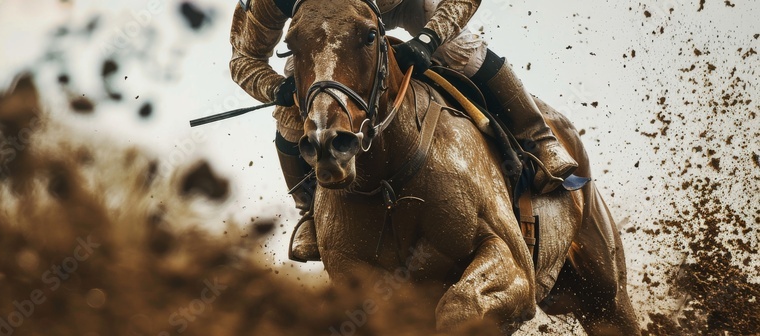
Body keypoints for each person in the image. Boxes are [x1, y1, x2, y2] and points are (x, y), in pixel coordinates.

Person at [229, 0, 578, 262]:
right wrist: (276, 87)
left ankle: (540, 138)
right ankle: (309, 210)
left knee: (461, 51)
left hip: (404, 6)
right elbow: (242, 58)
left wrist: (429, 39)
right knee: (291, 114)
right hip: (319, 31)